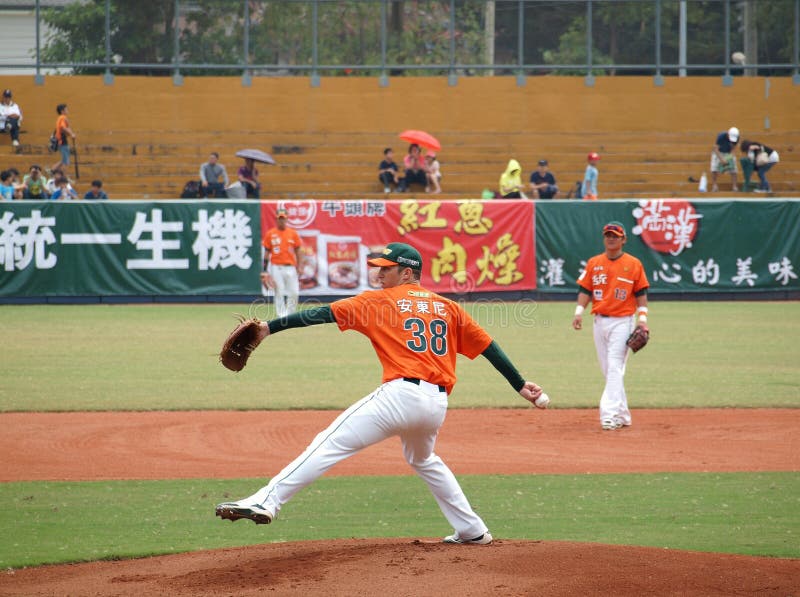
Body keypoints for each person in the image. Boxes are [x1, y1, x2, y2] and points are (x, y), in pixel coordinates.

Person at [216, 242, 544, 545]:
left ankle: (266, 500)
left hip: (401, 397)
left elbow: (321, 314)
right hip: (436, 405)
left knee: (329, 442)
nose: (379, 274)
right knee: (423, 459)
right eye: (378, 268)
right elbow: (488, 347)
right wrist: (519, 384)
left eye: (386, 269)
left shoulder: (377, 302)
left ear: (407, 273)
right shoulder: (448, 307)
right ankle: (472, 530)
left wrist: (269, 328)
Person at [572, 221, 649, 431]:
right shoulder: (594, 263)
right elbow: (585, 290)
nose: (611, 238)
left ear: (624, 240)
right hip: (599, 321)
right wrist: (578, 312)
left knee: (615, 366)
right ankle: (623, 415)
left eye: (615, 235)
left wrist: (643, 319)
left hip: (623, 321)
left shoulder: (634, 264)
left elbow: (641, 293)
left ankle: (609, 414)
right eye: (608, 235)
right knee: (609, 370)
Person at [261, 208, 303, 317]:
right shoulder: (271, 234)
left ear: (287, 219)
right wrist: (264, 270)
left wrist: (300, 266)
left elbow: (298, 251)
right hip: (276, 267)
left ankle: (290, 315)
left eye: (283, 218)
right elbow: (266, 253)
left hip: (291, 266)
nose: (281, 221)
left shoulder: (293, 233)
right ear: (276, 219)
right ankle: (281, 316)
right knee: (279, 291)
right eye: (279, 218)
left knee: (294, 292)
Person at [710, 126, 739, 192]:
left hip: (728, 152)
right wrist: (722, 159)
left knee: (734, 169)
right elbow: (716, 149)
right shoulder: (721, 136)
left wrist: (729, 158)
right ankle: (714, 185)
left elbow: (733, 149)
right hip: (719, 152)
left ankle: (734, 186)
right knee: (714, 168)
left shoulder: (736, 138)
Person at [51, 104, 77, 174]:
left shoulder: (60, 118)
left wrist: (71, 133)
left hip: (61, 141)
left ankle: (52, 170)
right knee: (66, 162)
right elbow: (63, 127)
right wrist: (71, 134)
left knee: (64, 159)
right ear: (62, 111)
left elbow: (66, 128)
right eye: (66, 109)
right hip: (62, 141)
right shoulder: (63, 118)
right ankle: (63, 176)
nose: (67, 111)